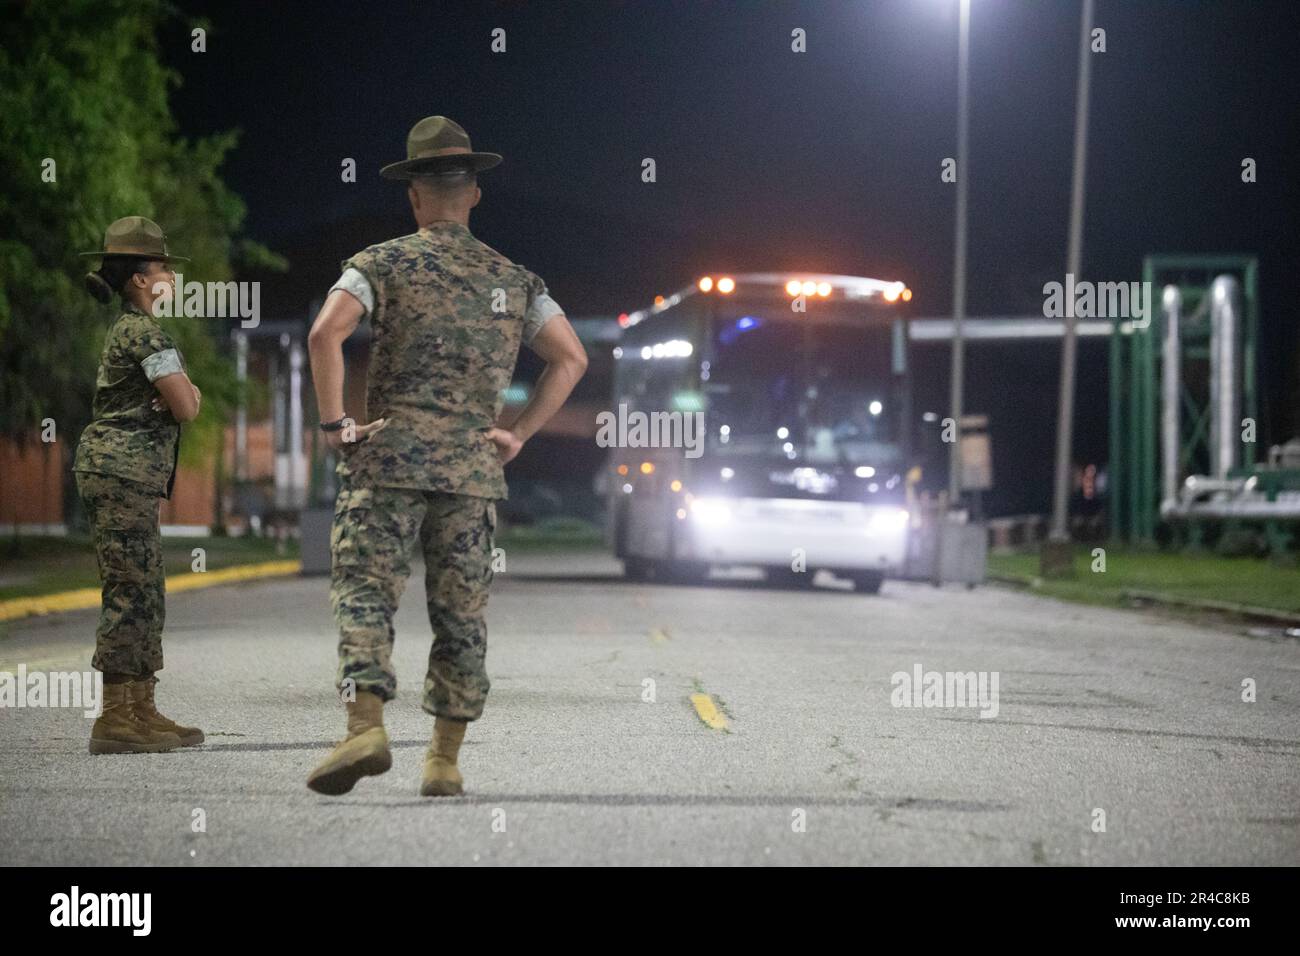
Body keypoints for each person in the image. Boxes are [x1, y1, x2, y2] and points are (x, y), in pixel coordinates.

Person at [306, 116, 588, 796]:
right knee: (460, 615)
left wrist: (334, 424)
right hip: (470, 471)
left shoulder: (380, 263)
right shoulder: (516, 281)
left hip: (388, 460)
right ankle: (443, 761)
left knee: (366, 596)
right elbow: (571, 358)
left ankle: (365, 725)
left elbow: (325, 334)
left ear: (413, 195)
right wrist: (516, 434)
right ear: (476, 195)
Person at [75, 216, 205, 754]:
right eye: (163, 267)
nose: (171, 275)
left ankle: (142, 709)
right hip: (118, 472)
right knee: (131, 591)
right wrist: (187, 390)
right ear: (138, 278)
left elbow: (177, 400)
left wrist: (181, 392)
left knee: (145, 589)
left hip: (126, 475)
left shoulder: (136, 330)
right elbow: (187, 406)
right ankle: (114, 717)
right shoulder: (142, 332)